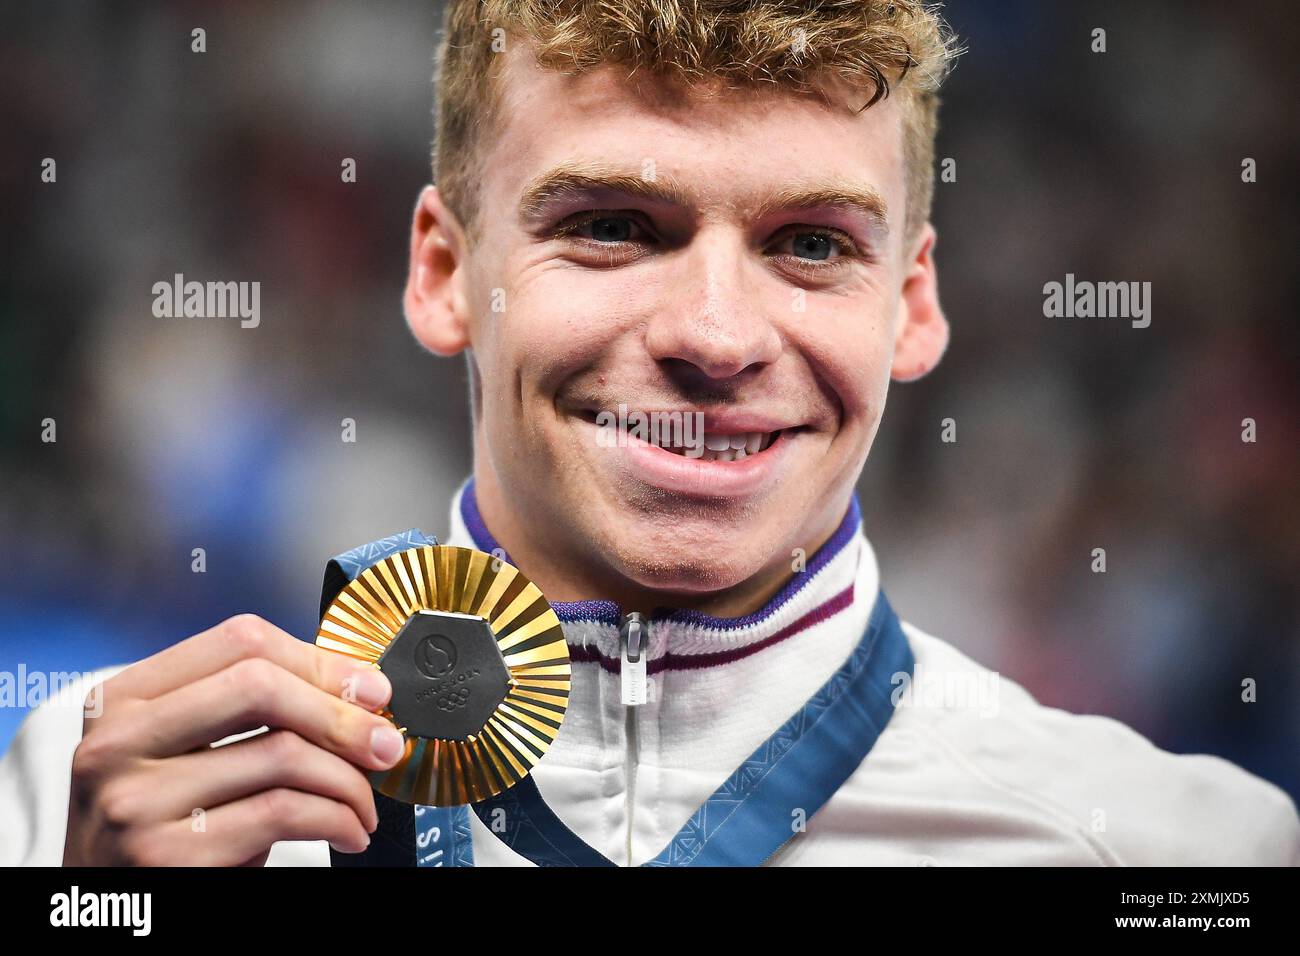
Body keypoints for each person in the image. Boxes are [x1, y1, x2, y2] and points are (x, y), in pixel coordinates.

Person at [2, 0, 1296, 867]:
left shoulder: (1185, 855)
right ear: (446, 274)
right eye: (615, 226)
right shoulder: (90, 802)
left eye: (810, 244)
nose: (719, 337)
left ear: (911, 306)